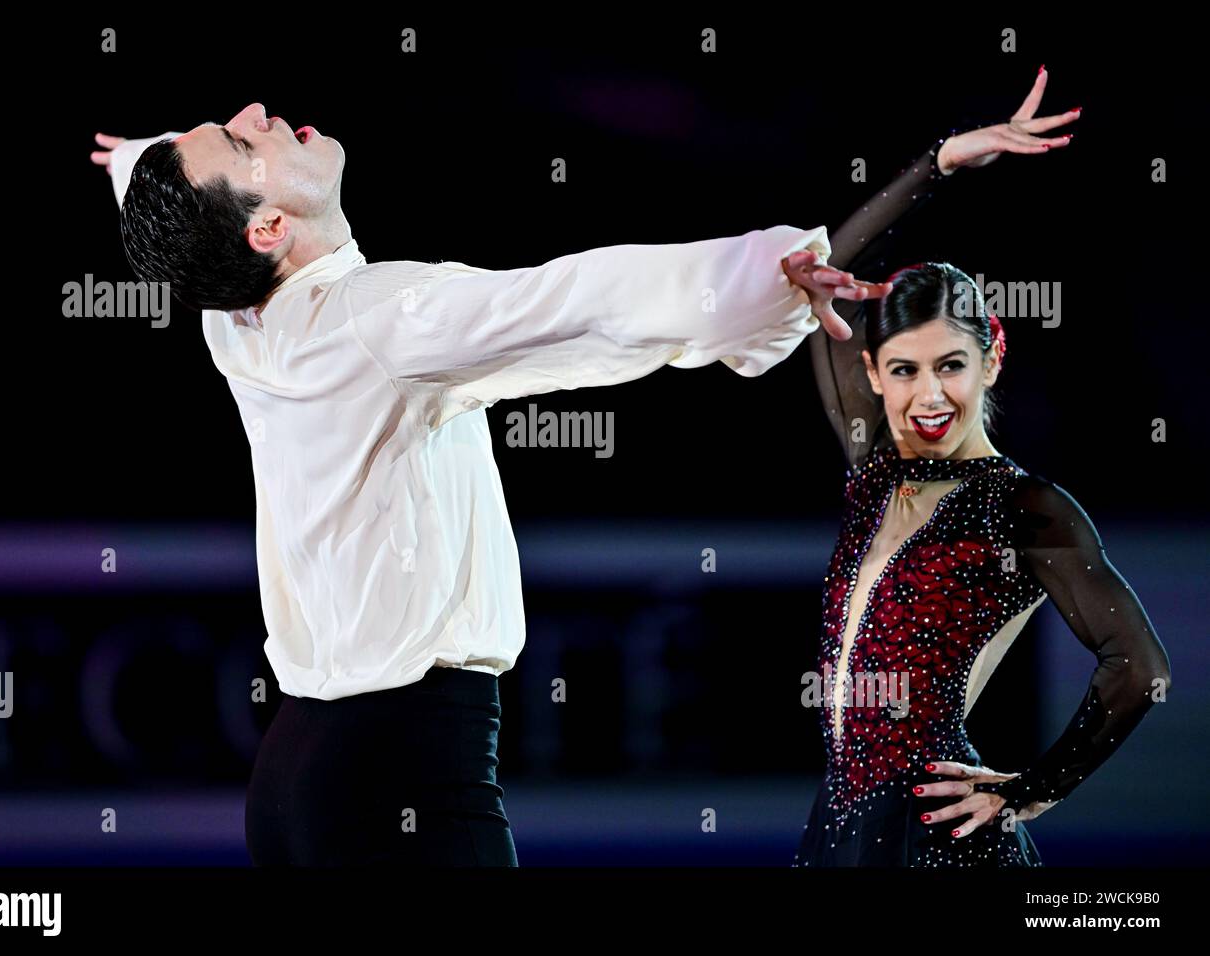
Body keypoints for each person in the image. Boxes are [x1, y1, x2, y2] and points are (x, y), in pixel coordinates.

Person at [92, 103, 889, 865]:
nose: (254, 112)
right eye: (240, 143)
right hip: (405, 773)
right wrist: (765, 280)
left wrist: (137, 161)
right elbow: (568, 302)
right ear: (267, 230)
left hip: (294, 785)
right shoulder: (381, 317)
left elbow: (185, 211)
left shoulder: (227, 313)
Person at [793, 71, 1172, 866]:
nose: (929, 396)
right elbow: (833, 268)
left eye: (951, 366)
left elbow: (1138, 667)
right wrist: (942, 163)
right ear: (870, 371)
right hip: (838, 825)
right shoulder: (873, 470)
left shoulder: (1028, 506)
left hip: (938, 835)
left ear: (992, 358)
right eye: (904, 370)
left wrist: (1031, 789)